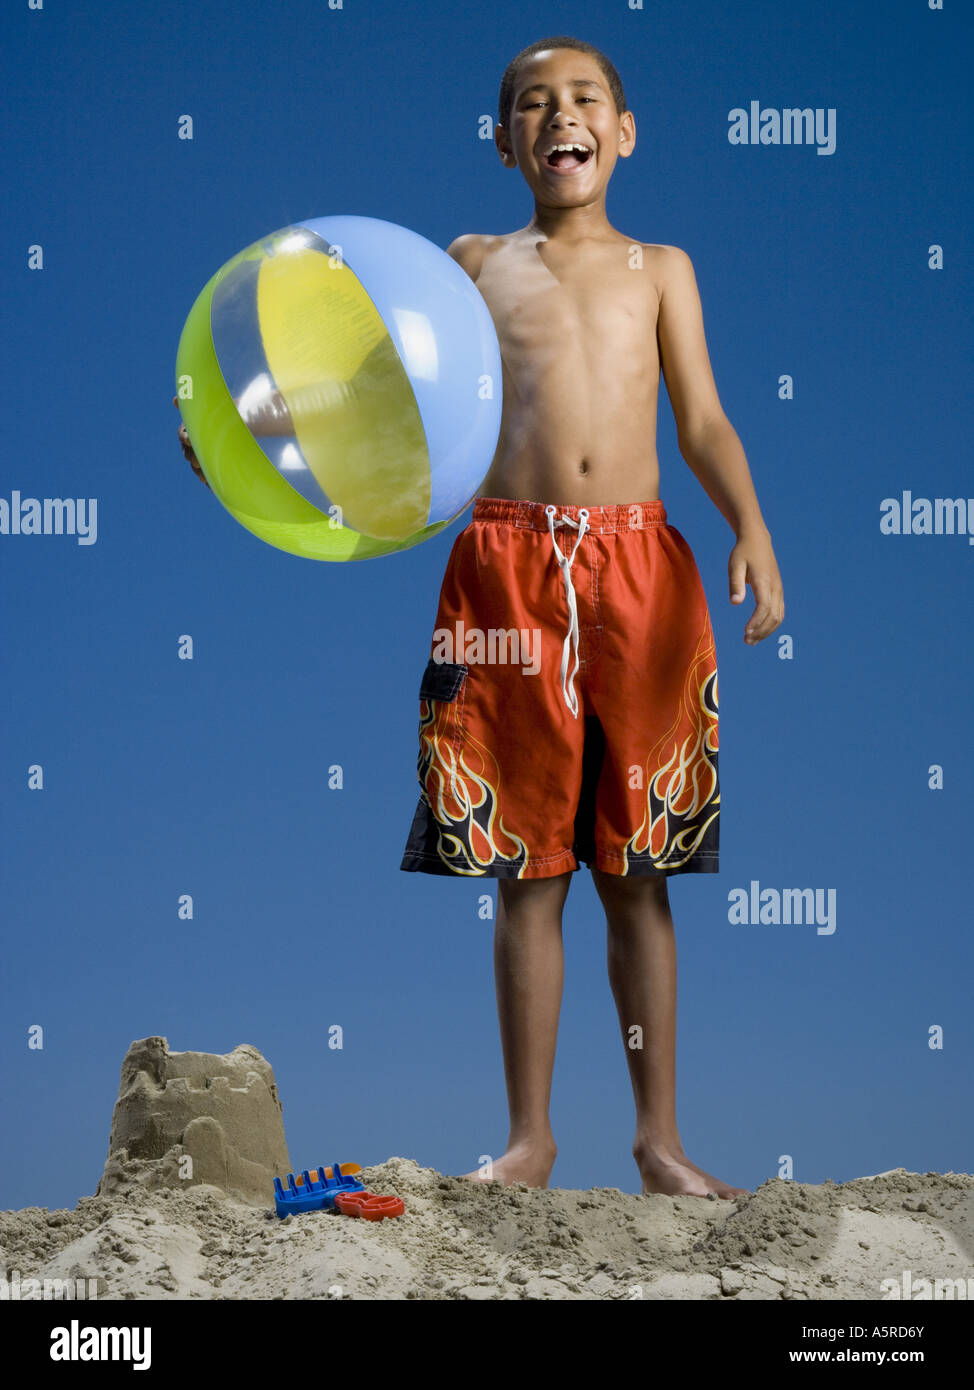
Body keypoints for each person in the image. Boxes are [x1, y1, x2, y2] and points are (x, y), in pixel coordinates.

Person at [176, 35, 784, 1200]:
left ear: (622, 131)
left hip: (639, 567)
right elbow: (359, 390)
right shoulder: (465, 262)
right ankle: (529, 1139)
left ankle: (656, 1137)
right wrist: (244, 439)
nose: (560, 117)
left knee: (639, 870)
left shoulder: (663, 267)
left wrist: (748, 525)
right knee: (526, 871)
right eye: (530, 106)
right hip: (504, 569)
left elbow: (701, 417)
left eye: (583, 99)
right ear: (505, 142)